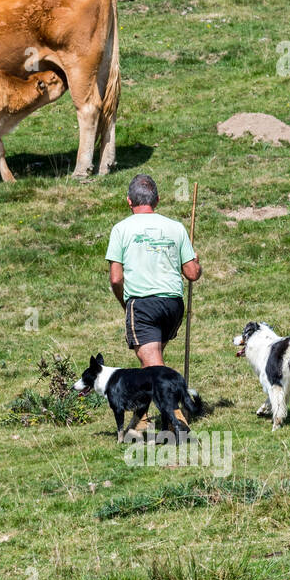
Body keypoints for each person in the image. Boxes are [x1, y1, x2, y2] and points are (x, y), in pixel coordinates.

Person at [104, 174, 201, 437]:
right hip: (173, 306)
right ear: (157, 200)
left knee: (154, 368)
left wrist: (126, 303)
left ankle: (177, 422)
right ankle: (142, 420)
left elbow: (116, 278)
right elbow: (192, 273)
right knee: (151, 364)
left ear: (128, 201)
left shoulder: (121, 229)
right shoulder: (176, 227)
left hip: (143, 304)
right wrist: (196, 262)